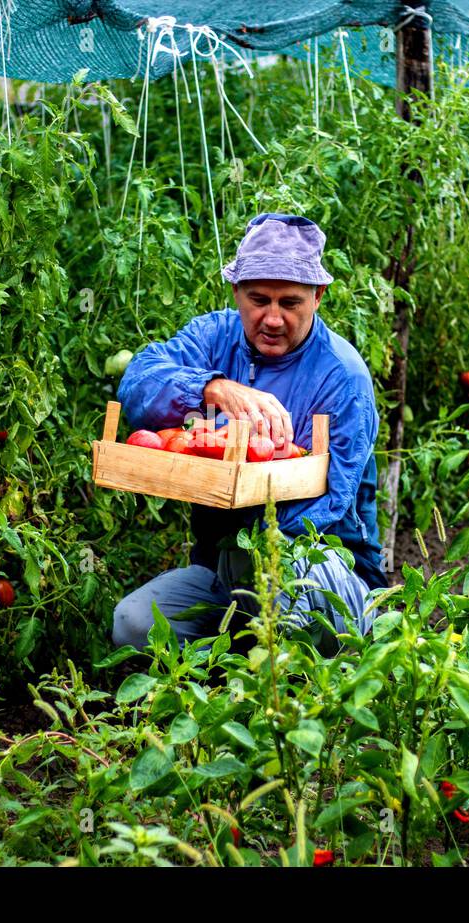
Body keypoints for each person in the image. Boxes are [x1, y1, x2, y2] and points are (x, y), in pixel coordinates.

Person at [111, 212, 388, 652]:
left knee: (290, 600)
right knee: (132, 623)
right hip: (224, 572)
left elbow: (326, 508)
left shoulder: (342, 377)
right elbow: (137, 383)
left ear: (318, 296)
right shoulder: (213, 336)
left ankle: (313, 662)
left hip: (322, 567)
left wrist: (242, 493)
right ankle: (233, 664)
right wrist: (211, 386)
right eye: (259, 299)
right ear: (236, 292)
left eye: (290, 303)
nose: (273, 319)